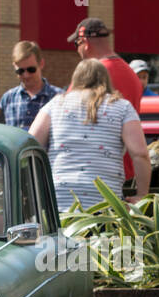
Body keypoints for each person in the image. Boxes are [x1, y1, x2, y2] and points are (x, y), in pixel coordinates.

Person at [30, 59, 150, 211]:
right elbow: (140, 154)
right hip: (105, 202)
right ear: (106, 79)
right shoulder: (122, 107)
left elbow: (30, 144)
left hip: (59, 201)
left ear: (75, 80)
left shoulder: (55, 105)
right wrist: (141, 195)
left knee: (60, 235)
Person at [68, 17, 143, 109]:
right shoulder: (131, 74)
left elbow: (67, 109)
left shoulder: (89, 74)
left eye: (77, 43)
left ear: (85, 43)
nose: (77, 50)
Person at [0, 40, 63, 131]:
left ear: (41, 64)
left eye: (31, 69)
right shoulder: (8, 99)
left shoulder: (59, 97)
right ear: (14, 66)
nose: (26, 75)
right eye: (20, 71)